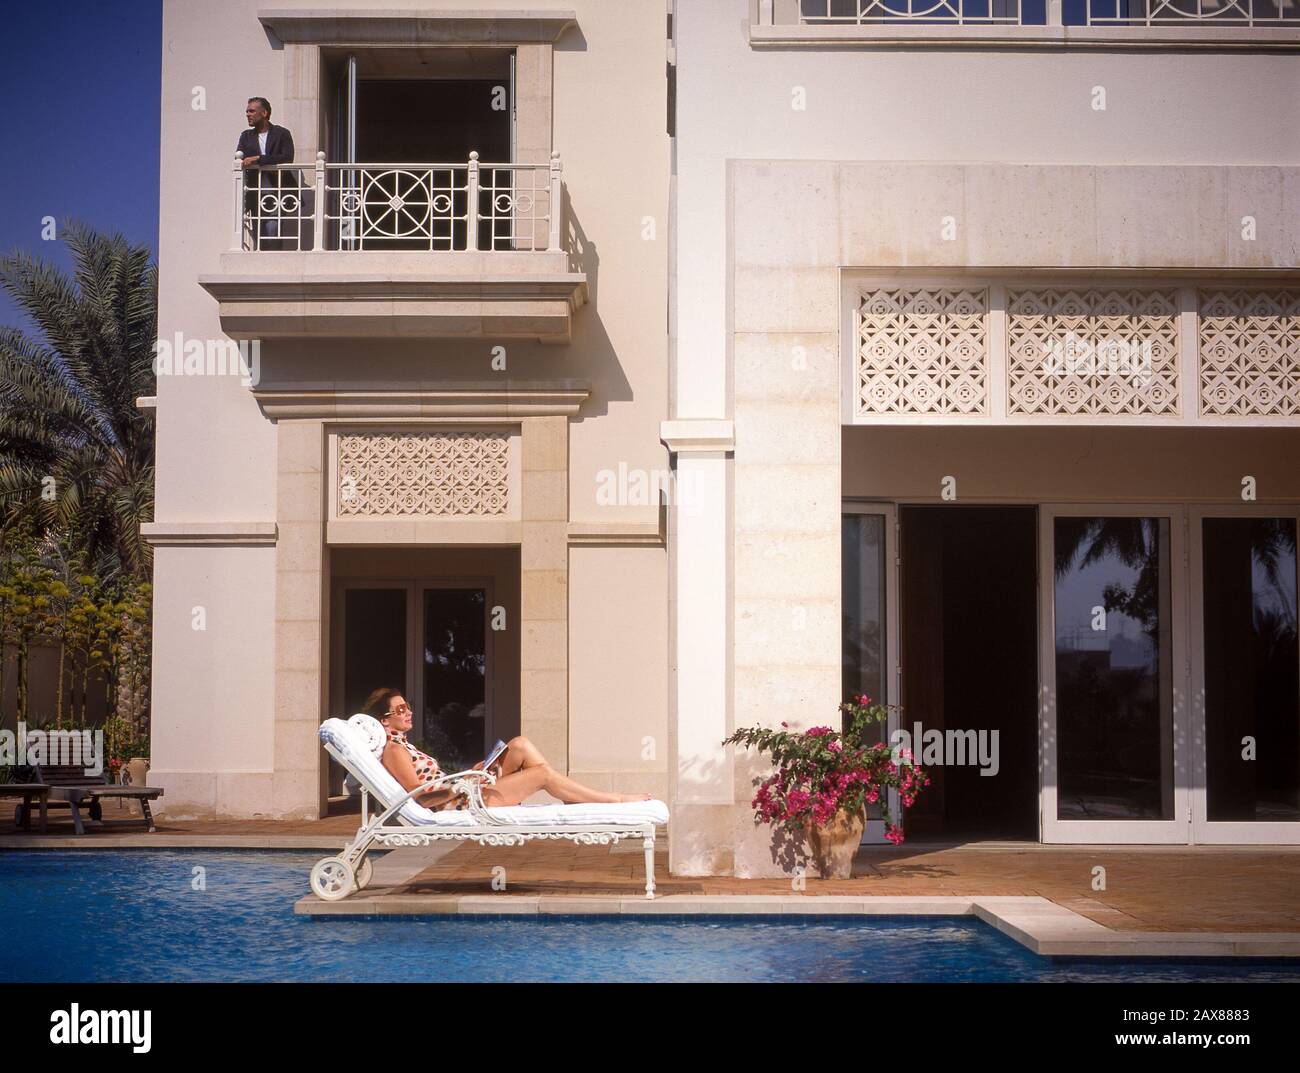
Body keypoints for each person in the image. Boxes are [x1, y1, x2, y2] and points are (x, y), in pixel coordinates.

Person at [361, 687, 651, 810]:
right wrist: (463, 784)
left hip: (466, 791)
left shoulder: (404, 746)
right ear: (384, 720)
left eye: (407, 706)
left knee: (520, 745)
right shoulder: (394, 751)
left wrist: (468, 773)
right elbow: (419, 799)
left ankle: (576, 798)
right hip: (462, 803)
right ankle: (613, 800)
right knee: (542, 775)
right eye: (400, 709)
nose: (408, 712)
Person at [237, 97, 297, 249]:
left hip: (277, 193)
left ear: (264, 113)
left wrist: (259, 159)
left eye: (252, 111)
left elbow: (287, 157)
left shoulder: (281, 133)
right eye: (247, 111)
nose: (248, 114)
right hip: (254, 194)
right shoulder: (246, 136)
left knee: (272, 231)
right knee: (259, 236)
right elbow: (239, 158)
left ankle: (276, 266)